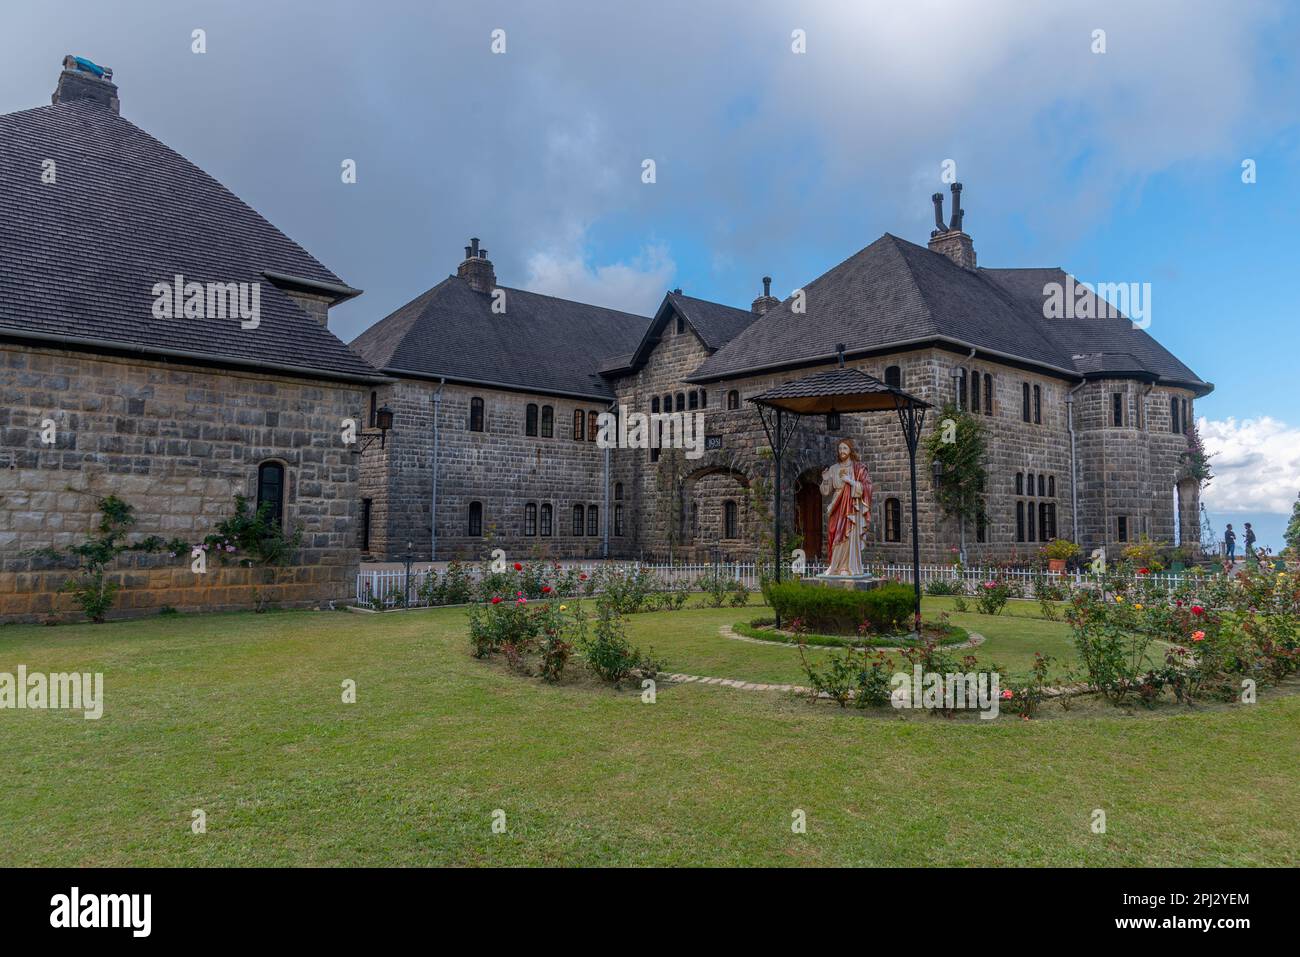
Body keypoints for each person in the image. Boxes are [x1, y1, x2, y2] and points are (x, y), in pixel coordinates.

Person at [819, 438, 873, 576]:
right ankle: (834, 565)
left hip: (850, 507)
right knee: (834, 533)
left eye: (845, 448)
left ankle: (845, 566)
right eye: (840, 449)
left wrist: (850, 481)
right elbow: (825, 491)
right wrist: (825, 479)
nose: (842, 451)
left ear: (850, 450)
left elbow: (867, 487)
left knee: (847, 534)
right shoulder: (834, 468)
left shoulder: (858, 468)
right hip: (836, 505)